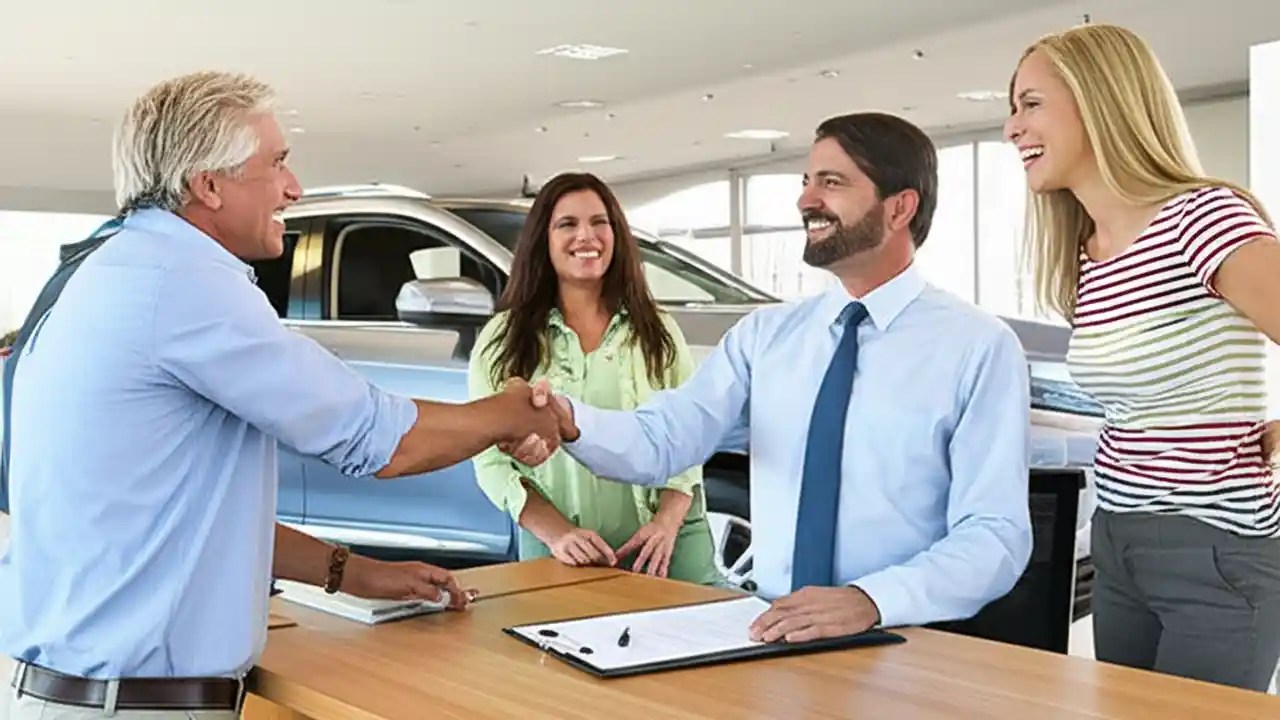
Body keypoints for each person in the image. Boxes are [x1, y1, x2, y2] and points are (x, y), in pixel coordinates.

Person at [0, 71, 560, 719]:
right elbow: (379, 441)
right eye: (277, 164)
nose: (294, 188)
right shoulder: (184, 281)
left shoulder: (103, 271)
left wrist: (353, 573)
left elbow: (178, 520)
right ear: (206, 185)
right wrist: (514, 410)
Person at [508, 111, 1034, 642]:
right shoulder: (766, 337)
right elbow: (667, 437)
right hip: (771, 635)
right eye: (806, 182)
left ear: (900, 207)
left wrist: (871, 600)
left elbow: (995, 535)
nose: (806, 201)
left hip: (907, 640)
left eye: (832, 182)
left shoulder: (977, 348)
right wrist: (570, 420)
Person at [1005, 23, 1280, 692]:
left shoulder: (1203, 218)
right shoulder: (1085, 252)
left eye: (1031, 103)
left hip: (1215, 547)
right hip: (1118, 539)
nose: (1013, 128)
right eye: (1011, 108)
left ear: (1102, 101)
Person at [468, 172, 721, 585]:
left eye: (599, 222)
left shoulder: (658, 330)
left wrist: (667, 523)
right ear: (542, 241)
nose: (587, 236)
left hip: (665, 541)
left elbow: (691, 433)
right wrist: (558, 534)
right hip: (559, 547)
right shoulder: (503, 339)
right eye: (567, 224)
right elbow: (490, 461)